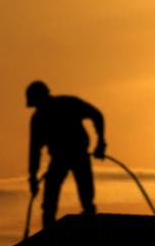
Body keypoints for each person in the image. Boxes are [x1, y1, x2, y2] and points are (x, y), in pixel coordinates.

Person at [26, 81, 106, 229]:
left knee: (85, 194)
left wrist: (101, 142)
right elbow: (34, 151)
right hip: (60, 158)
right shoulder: (39, 118)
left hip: (77, 154)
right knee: (51, 197)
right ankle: (49, 229)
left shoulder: (67, 104)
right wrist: (32, 176)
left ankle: (90, 223)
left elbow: (97, 115)